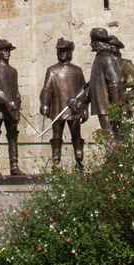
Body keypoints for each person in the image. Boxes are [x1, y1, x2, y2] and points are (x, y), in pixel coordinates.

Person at [40, 37, 87, 168]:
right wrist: (44, 103)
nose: (62, 54)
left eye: (65, 51)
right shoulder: (52, 71)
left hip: (74, 110)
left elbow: (85, 92)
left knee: (76, 136)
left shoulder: (77, 71)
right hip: (57, 109)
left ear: (70, 53)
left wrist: (85, 110)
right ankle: (56, 162)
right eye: (60, 51)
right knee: (57, 137)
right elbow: (46, 90)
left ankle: (79, 160)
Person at [0, 39, 23, 180]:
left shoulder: (13, 71)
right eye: (5, 51)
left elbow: (15, 89)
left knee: (13, 136)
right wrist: (8, 101)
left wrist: (18, 100)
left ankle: (14, 166)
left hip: (12, 109)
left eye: (8, 51)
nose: (7, 53)